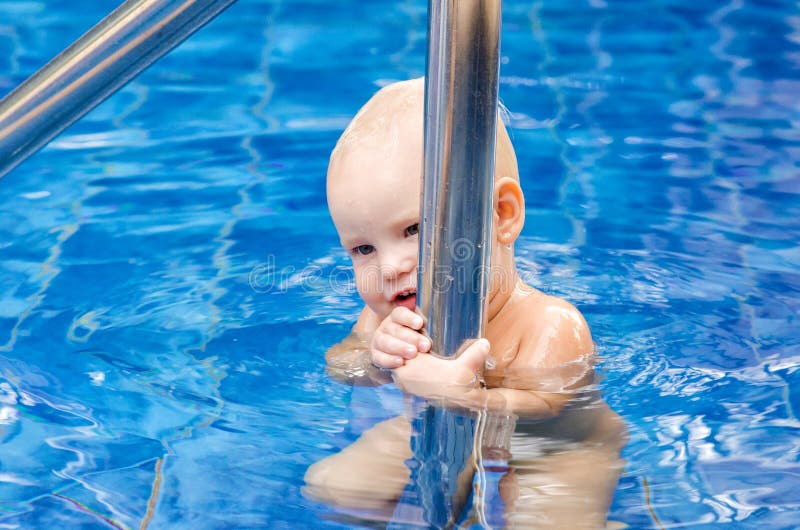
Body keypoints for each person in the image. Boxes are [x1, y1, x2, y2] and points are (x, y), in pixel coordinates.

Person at [304, 78, 627, 528]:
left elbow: (552, 412)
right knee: (335, 488)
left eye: (414, 229)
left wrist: (463, 397)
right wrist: (377, 361)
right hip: (442, 425)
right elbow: (339, 366)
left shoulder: (549, 323)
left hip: (553, 451)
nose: (390, 266)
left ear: (502, 214)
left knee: (547, 519)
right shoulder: (384, 314)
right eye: (363, 249)